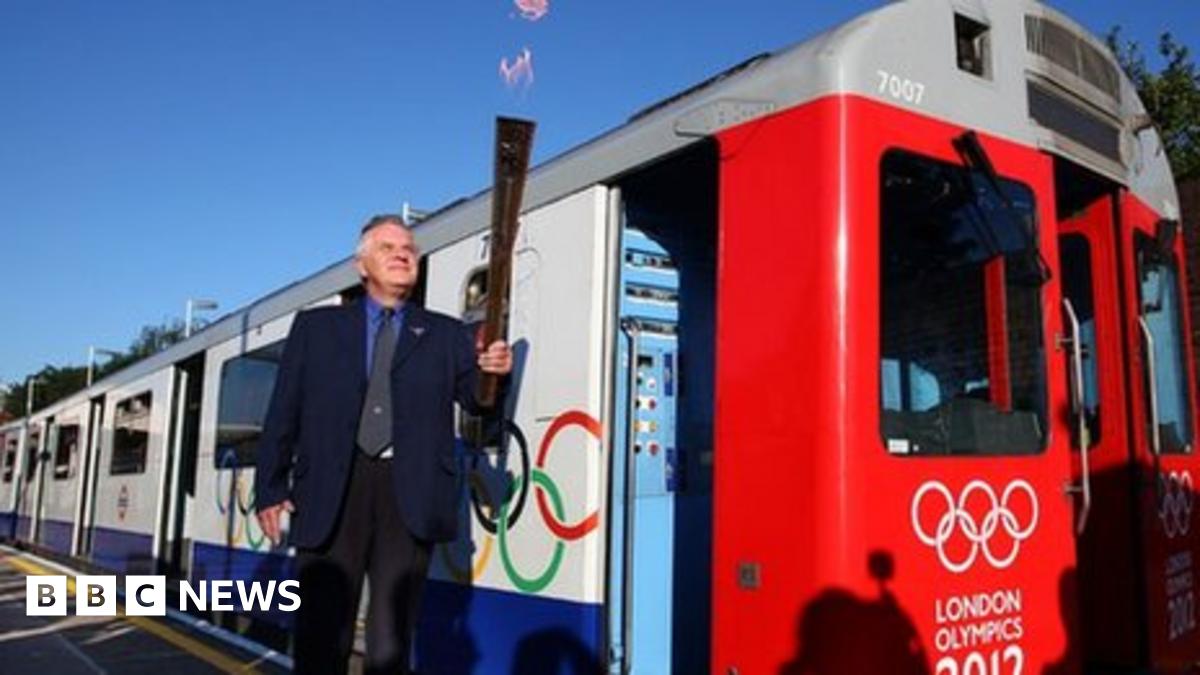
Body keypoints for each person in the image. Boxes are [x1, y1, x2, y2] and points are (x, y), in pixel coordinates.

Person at [254, 214, 512, 674]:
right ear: (362, 265)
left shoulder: (446, 334)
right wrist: (270, 488)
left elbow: (477, 403)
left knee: (393, 639)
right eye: (388, 247)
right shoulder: (315, 328)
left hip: (408, 493)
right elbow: (283, 411)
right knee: (321, 634)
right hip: (332, 489)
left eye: (409, 249)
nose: (401, 254)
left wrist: (493, 375)